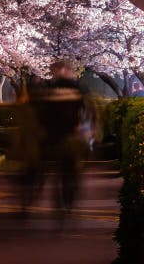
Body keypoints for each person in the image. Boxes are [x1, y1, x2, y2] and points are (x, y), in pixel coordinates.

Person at [28, 60, 93, 212]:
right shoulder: (78, 87)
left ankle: (42, 183)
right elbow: (86, 108)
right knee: (69, 166)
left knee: (48, 161)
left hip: (56, 133)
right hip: (68, 132)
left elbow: (40, 110)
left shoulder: (50, 87)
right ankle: (68, 196)